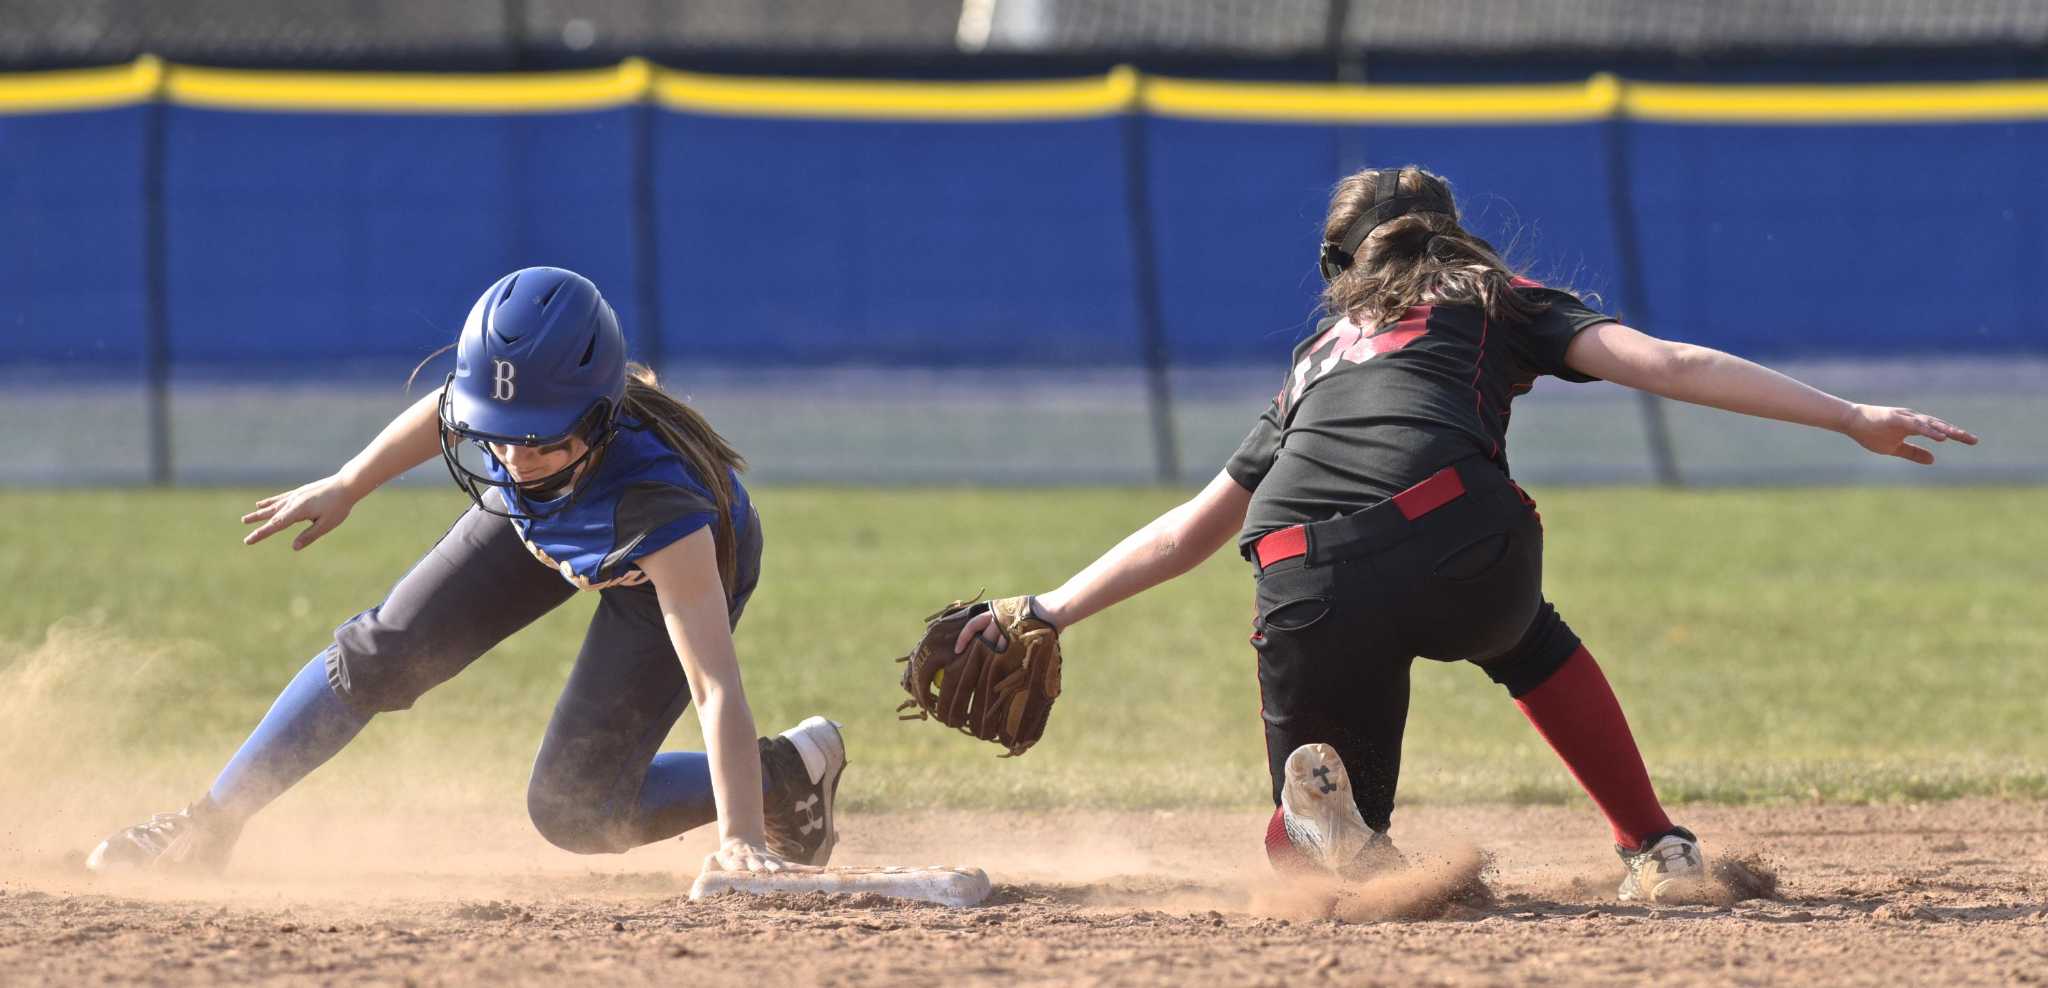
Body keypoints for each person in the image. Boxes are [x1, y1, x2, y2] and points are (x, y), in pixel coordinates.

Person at [955, 166, 1977, 902]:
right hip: (1455, 536)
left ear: (1332, 262)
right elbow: (1664, 362)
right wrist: (1847, 415)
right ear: (1456, 239)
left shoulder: (1314, 360)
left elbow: (1189, 531)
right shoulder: (1497, 296)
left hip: (1296, 570)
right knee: (1525, 638)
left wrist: (1042, 608)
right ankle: (1654, 848)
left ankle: (1325, 827)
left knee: (1332, 840)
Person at [87, 267, 846, 877]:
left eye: (538, 440)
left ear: (598, 416)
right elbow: (447, 410)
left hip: (650, 567)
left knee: (576, 812)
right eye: (499, 433)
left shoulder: (662, 510)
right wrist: (348, 483)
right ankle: (208, 823)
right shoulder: (525, 415)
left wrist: (743, 839)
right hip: (547, 523)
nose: (513, 457)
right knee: (376, 655)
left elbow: (715, 686)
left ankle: (781, 774)